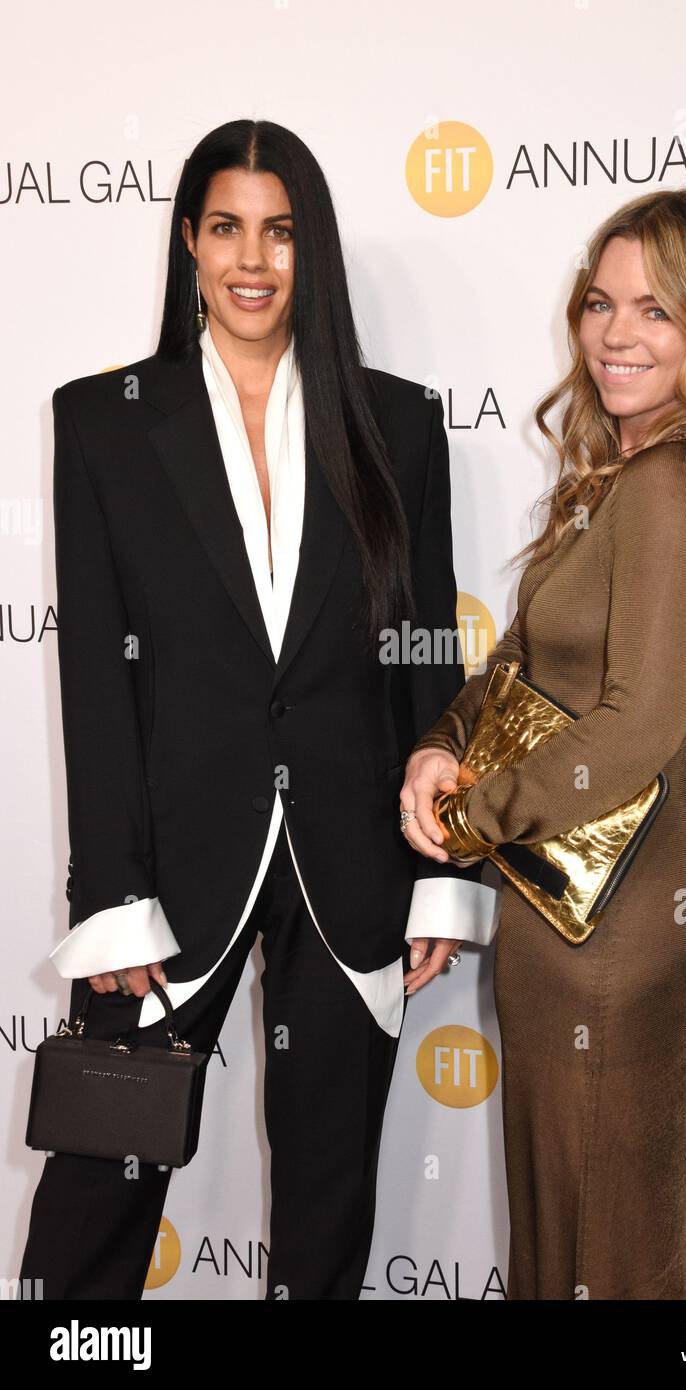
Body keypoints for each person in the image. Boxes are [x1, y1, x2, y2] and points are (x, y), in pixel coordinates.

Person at [19, 118, 497, 1301]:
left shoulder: (394, 421)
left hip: (355, 859)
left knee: (330, 1207)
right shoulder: (104, 419)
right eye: (226, 226)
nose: (251, 258)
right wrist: (112, 895)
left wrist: (444, 873)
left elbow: (423, 654)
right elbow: (96, 672)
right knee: (98, 1196)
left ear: (310, 249)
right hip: (168, 874)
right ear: (187, 240)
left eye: (279, 230)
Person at [400, 188, 686, 1300]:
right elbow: (518, 669)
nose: (615, 333)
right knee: (607, 1213)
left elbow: (640, 724)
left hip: (613, 915)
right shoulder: (620, 476)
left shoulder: (675, 481)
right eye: (599, 303)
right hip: (565, 889)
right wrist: (440, 745)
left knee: (607, 1236)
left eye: (655, 311)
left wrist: (465, 820)